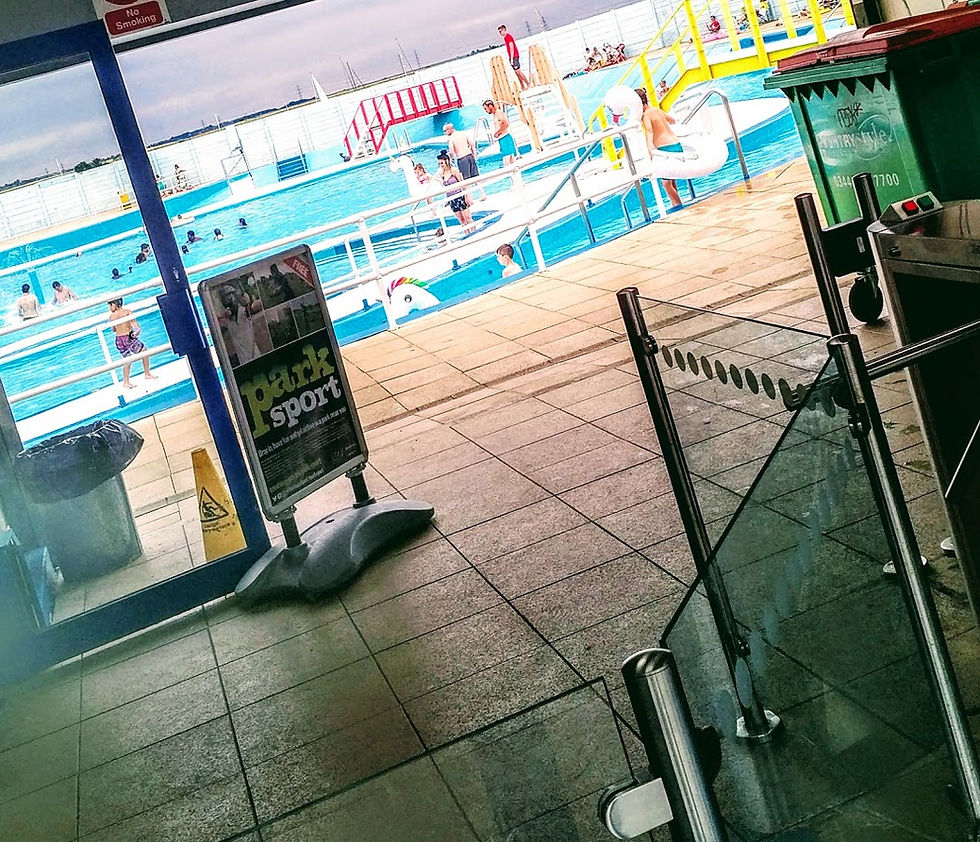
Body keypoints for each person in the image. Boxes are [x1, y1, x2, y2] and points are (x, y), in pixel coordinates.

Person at [636, 87, 683, 208]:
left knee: (665, 183)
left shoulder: (646, 115)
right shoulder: (656, 110)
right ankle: (675, 204)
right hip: (676, 144)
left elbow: (649, 131)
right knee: (670, 179)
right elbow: (672, 120)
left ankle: (678, 206)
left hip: (665, 148)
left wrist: (649, 148)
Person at [108, 298, 156, 388]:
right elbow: (135, 323)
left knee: (127, 359)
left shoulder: (111, 317)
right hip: (128, 337)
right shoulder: (127, 312)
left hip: (119, 339)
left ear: (113, 305)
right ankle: (147, 373)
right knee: (144, 351)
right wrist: (137, 330)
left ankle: (126, 381)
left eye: (109, 306)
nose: (109, 309)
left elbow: (114, 329)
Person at [437, 151, 474, 234]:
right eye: (439, 164)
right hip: (451, 199)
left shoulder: (454, 171)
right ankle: (467, 234)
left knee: (467, 217)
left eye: (442, 163)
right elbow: (445, 188)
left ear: (446, 161)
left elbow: (462, 183)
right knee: (461, 220)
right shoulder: (441, 173)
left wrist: (467, 196)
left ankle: (474, 233)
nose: (441, 165)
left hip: (459, 196)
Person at [483, 100, 517, 165]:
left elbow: (506, 124)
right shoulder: (495, 114)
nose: (485, 111)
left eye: (485, 109)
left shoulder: (499, 113)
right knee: (509, 159)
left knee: (507, 160)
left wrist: (497, 133)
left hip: (505, 138)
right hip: (502, 138)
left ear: (490, 106)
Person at [498, 25, 530, 90]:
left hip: (514, 56)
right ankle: (522, 86)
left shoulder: (508, 37)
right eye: (499, 32)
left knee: (518, 72)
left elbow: (511, 47)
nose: (500, 33)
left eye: (501, 31)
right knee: (516, 73)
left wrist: (512, 58)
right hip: (511, 57)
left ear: (504, 30)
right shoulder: (505, 38)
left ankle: (528, 83)